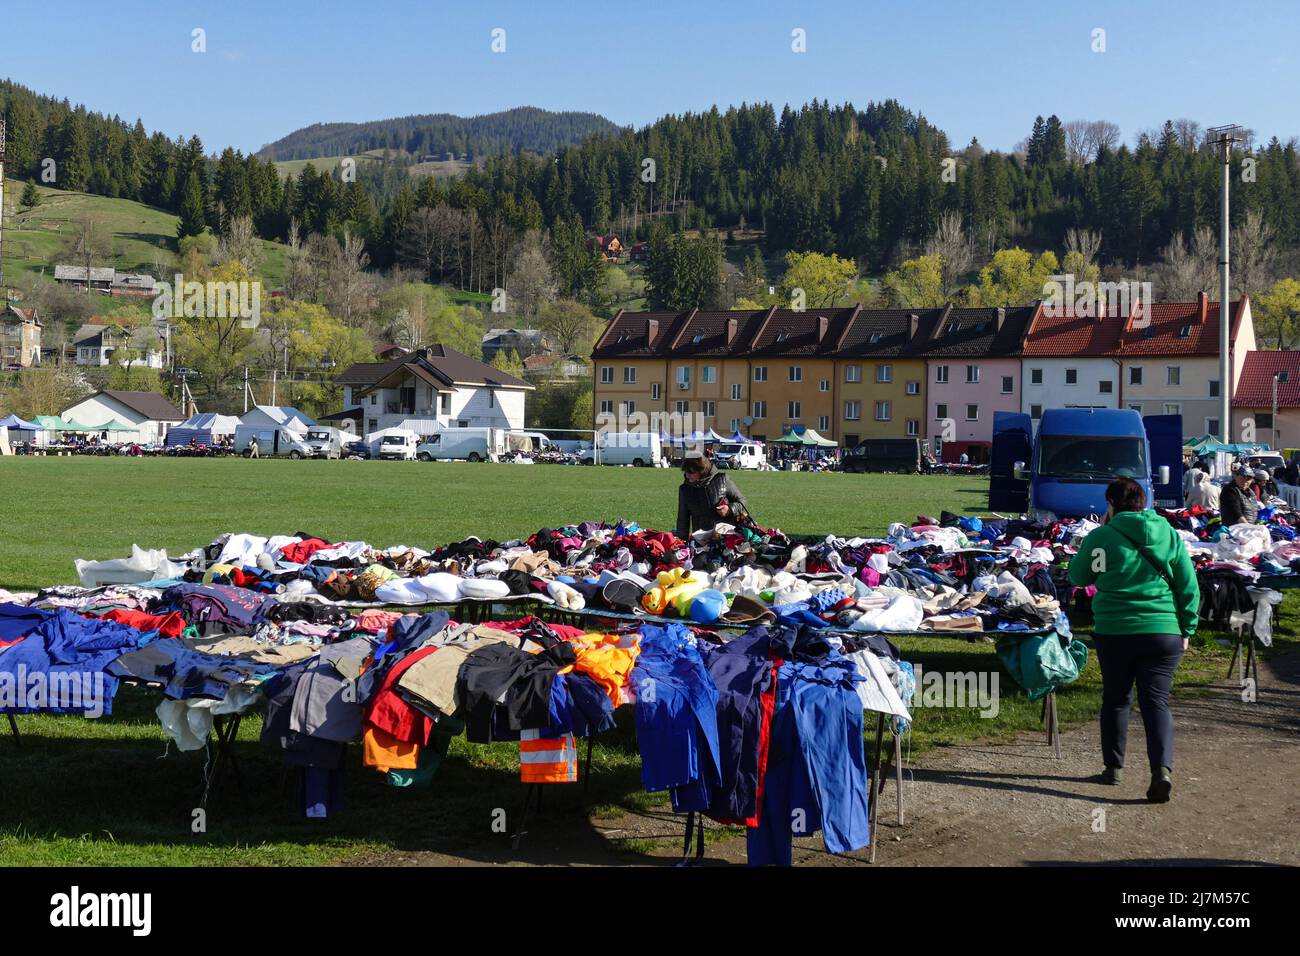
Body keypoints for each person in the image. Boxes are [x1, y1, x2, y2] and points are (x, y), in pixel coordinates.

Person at [1068, 477, 1199, 803]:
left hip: (1116, 630)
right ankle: (1161, 772)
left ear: (1110, 504)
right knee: (1156, 702)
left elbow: (1081, 577)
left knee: (1116, 698)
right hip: (1163, 632)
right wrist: (1188, 629)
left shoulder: (1102, 537)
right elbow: (1187, 585)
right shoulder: (1168, 534)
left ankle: (1113, 769)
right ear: (1144, 502)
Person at [675, 449, 749, 538]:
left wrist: (729, 509)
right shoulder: (685, 489)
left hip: (726, 536)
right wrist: (682, 542)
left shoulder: (723, 479)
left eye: (691, 472)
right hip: (701, 539)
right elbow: (683, 520)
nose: (687, 475)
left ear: (702, 470)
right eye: (685, 471)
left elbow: (742, 501)